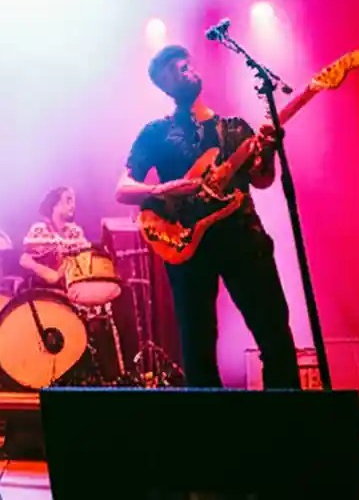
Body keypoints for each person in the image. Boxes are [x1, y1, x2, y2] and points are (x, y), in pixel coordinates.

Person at [114, 44, 299, 389]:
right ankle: (208, 434)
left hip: (244, 236)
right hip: (189, 243)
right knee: (198, 344)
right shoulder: (155, 132)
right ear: (163, 87)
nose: (182, 68)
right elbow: (123, 187)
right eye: (171, 69)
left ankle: (288, 427)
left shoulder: (234, 128)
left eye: (184, 63)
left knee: (274, 332)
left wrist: (270, 150)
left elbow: (262, 179)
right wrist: (161, 189)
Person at [19, 186, 92, 288]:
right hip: (41, 290)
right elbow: (24, 260)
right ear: (54, 205)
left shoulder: (75, 232)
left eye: (73, 201)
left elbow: (85, 259)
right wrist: (47, 273)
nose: (73, 206)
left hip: (70, 288)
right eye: (68, 200)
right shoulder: (40, 230)